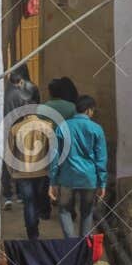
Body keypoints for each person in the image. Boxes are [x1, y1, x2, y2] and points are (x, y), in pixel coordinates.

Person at [8, 79, 75, 240]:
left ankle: (33, 233)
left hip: (23, 172)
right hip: (46, 166)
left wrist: (12, 172)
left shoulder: (16, 128)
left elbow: (10, 153)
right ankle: (56, 211)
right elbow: (51, 149)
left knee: (29, 203)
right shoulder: (50, 123)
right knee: (49, 192)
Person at [51, 93, 109, 238]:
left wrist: (53, 181)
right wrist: (102, 182)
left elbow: (55, 156)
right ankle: (84, 246)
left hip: (67, 177)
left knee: (64, 210)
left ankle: (70, 245)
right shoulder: (97, 129)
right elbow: (101, 158)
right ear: (89, 110)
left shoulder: (62, 127)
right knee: (87, 211)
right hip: (89, 178)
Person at [1, 68, 39, 210]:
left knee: (7, 164)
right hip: (20, 130)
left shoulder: (4, 93)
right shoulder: (23, 94)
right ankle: (21, 194)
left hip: (6, 130)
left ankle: (7, 196)